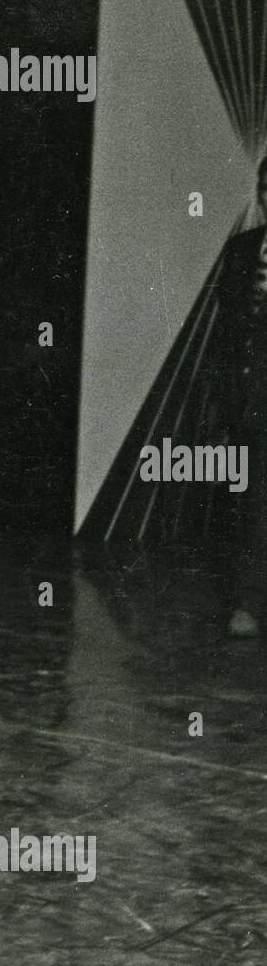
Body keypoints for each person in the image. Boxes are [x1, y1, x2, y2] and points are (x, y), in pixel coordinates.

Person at [215, 156, 267, 638]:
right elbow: (229, 329)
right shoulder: (242, 250)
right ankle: (248, 604)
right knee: (251, 506)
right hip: (252, 404)